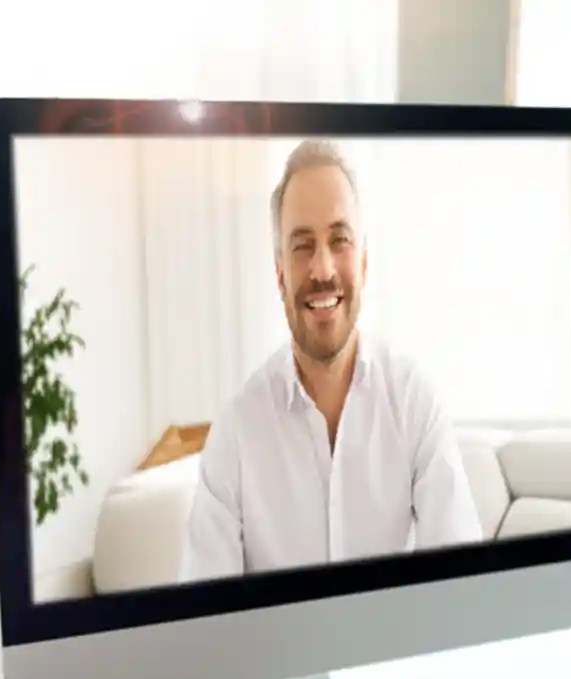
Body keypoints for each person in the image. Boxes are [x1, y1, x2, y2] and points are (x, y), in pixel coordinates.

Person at [180, 140, 484, 582]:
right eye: (302, 245)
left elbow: (465, 585)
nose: (322, 268)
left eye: (339, 240)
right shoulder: (237, 433)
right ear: (280, 272)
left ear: (362, 262)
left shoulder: (412, 400)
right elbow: (200, 621)